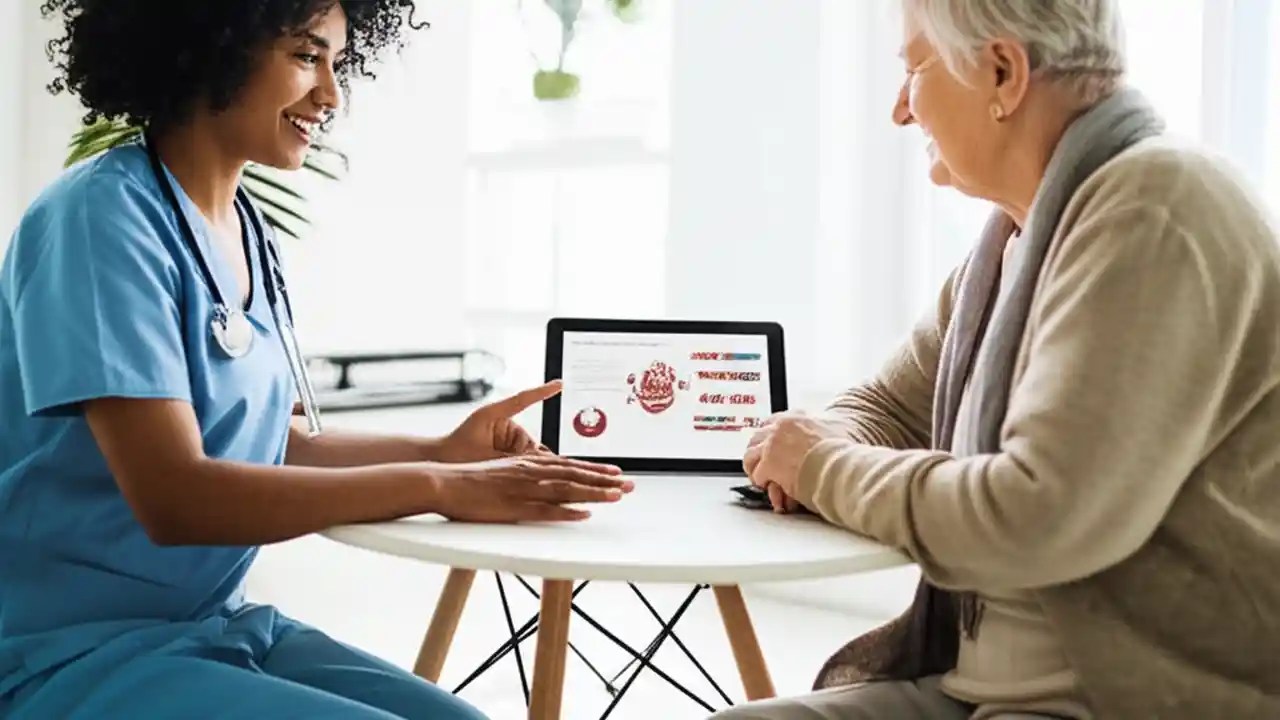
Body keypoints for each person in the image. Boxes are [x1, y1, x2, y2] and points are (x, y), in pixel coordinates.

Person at [0, 1, 633, 718]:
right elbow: (175, 495)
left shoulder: (246, 228)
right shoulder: (97, 221)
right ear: (213, 44)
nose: (331, 94)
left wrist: (446, 450)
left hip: (213, 625)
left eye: (337, 62)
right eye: (307, 57)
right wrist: (435, 485)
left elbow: (269, 445)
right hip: (62, 651)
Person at [718, 0, 1280, 719]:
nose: (899, 110)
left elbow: (1033, 517)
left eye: (914, 69)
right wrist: (815, 444)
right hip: (981, 690)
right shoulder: (1014, 242)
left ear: (1003, 73)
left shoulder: (1154, 209)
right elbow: (887, 407)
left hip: (1127, 701)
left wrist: (820, 466)